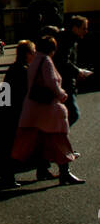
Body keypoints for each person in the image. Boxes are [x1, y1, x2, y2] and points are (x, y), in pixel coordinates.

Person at [11, 35, 84, 185]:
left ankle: (15, 172)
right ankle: (65, 173)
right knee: (59, 139)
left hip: (31, 109)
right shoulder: (46, 61)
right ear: (52, 49)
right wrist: (62, 94)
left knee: (27, 144)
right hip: (47, 109)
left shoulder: (33, 62)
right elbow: (51, 82)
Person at [0, 39, 35, 188]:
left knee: (4, 146)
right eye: (33, 52)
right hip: (13, 113)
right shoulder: (23, 70)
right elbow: (23, 94)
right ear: (28, 54)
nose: (34, 55)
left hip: (6, 111)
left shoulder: (14, 68)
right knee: (9, 147)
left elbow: (5, 91)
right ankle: (6, 176)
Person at [54, 16, 91, 126]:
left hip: (66, 82)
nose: (86, 31)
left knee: (66, 114)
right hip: (65, 83)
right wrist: (77, 72)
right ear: (75, 28)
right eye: (84, 28)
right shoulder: (68, 40)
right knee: (73, 114)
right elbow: (63, 61)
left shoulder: (70, 39)